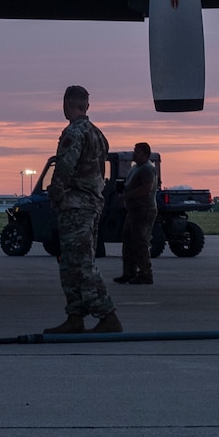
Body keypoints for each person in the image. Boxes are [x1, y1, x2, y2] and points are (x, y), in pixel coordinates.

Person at [43, 85, 119, 333]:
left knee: (81, 263)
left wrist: (55, 197)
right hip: (91, 204)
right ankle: (75, 315)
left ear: (66, 104)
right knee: (70, 263)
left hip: (75, 206)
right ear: (87, 106)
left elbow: (64, 170)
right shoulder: (97, 134)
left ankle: (106, 314)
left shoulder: (73, 133)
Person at [115, 142, 158, 285]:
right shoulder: (135, 168)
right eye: (135, 151)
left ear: (146, 154)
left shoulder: (147, 169)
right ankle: (129, 272)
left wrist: (127, 196)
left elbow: (146, 188)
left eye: (138, 152)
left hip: (144, 209)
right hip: (133, 210)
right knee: (128, 241)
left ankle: (146, 273)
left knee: (140, 242)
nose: (134, 154)